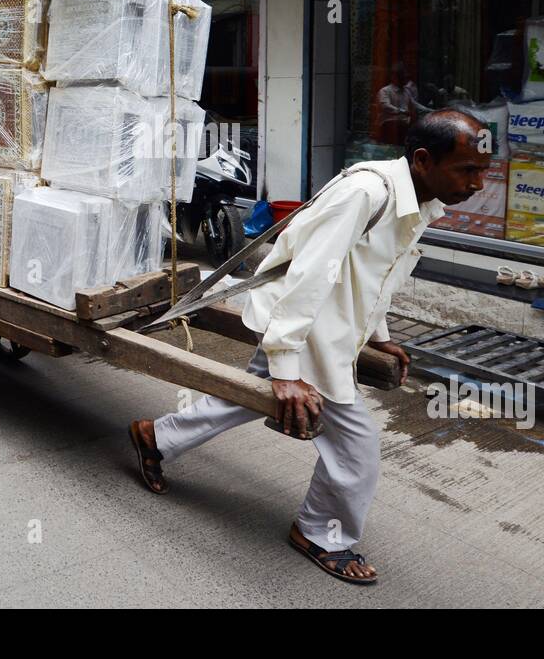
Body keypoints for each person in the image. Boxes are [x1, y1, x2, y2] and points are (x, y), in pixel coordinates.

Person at [128, 109, 493, 586]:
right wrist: (286, 367)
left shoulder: (420, 200)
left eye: (484, 171)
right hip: (302, 328)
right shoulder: (366, 193)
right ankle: (322, 533)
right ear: (424, 160)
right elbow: (310, 273)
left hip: (317, 325)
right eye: (468, 170)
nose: (479, 184)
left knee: (244, 396)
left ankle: (157, 437)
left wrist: (379, 336)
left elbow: (372, 275)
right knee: (356, 445)